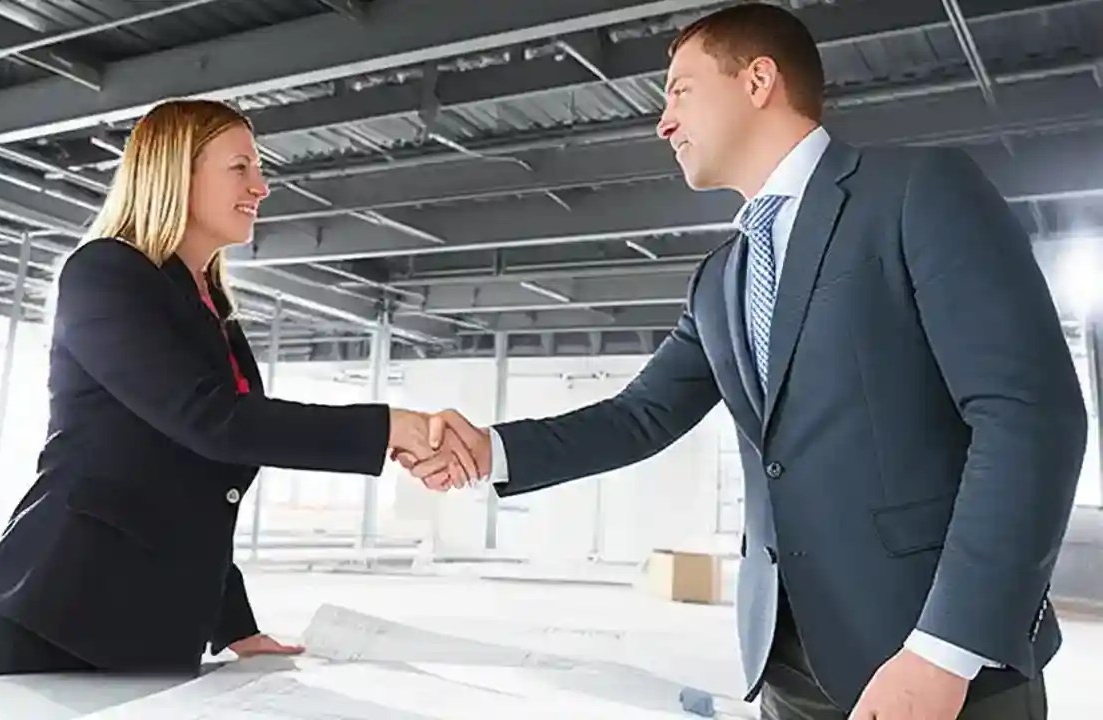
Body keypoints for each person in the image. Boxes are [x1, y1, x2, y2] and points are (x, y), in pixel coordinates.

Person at [405, 4, 1085, 719]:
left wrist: (946, 650)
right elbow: (639, 417)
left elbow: (1029, 419)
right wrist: (490, 448)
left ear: (758, 80)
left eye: (680, 90)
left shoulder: (916, 192)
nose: (663, 123)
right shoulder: (721, 278)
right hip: (787, 663)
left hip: (935, 663)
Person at [0, 99, 477, 678]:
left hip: (149, 633)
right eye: (240, 167)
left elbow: (194, 487)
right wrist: (386, 428)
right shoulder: (104, 272)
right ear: (175, 172)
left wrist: (235, 626)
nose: (261, 187)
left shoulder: (212, 309)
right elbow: (211, 421)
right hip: (57, 617)